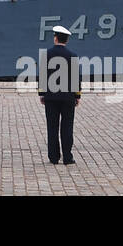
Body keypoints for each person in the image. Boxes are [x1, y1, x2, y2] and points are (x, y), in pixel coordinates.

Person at [38, 24, 80, 165]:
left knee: (52, 126)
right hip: (68, 97)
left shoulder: (46, 54)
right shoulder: (72, 55)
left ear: (55, 38)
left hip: (51, 96)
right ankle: (68, 157)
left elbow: (43, 75)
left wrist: (42, 94)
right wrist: (77, 95)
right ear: (66, 40)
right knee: (67, 127)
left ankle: (53, 157)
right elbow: (75, 78)